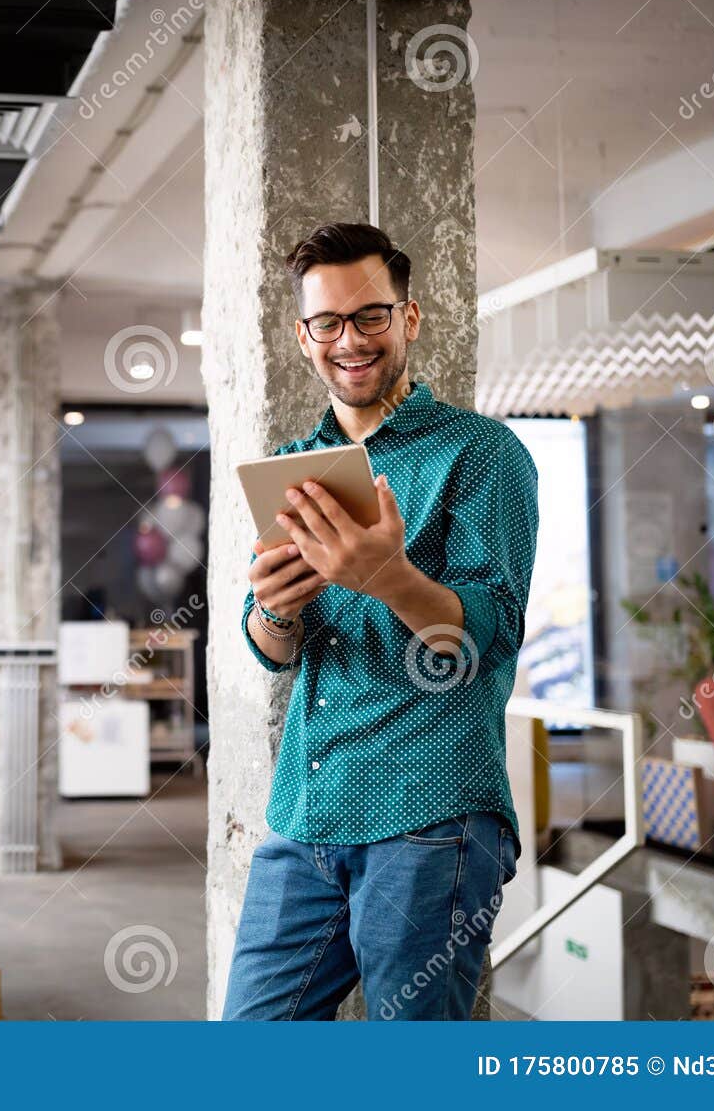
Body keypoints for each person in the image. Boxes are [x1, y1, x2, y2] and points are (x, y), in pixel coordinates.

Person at [223, 223, 539, 1021]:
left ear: (410, 318)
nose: (349, 340)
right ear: (303, 337)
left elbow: (487, 637)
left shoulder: (481, 453)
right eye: (326, 323)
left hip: (430, 813)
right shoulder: (295, 464)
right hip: (307, 810)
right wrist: (276, 609)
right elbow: (271, 651)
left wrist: (389, 579)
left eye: (370, 315)